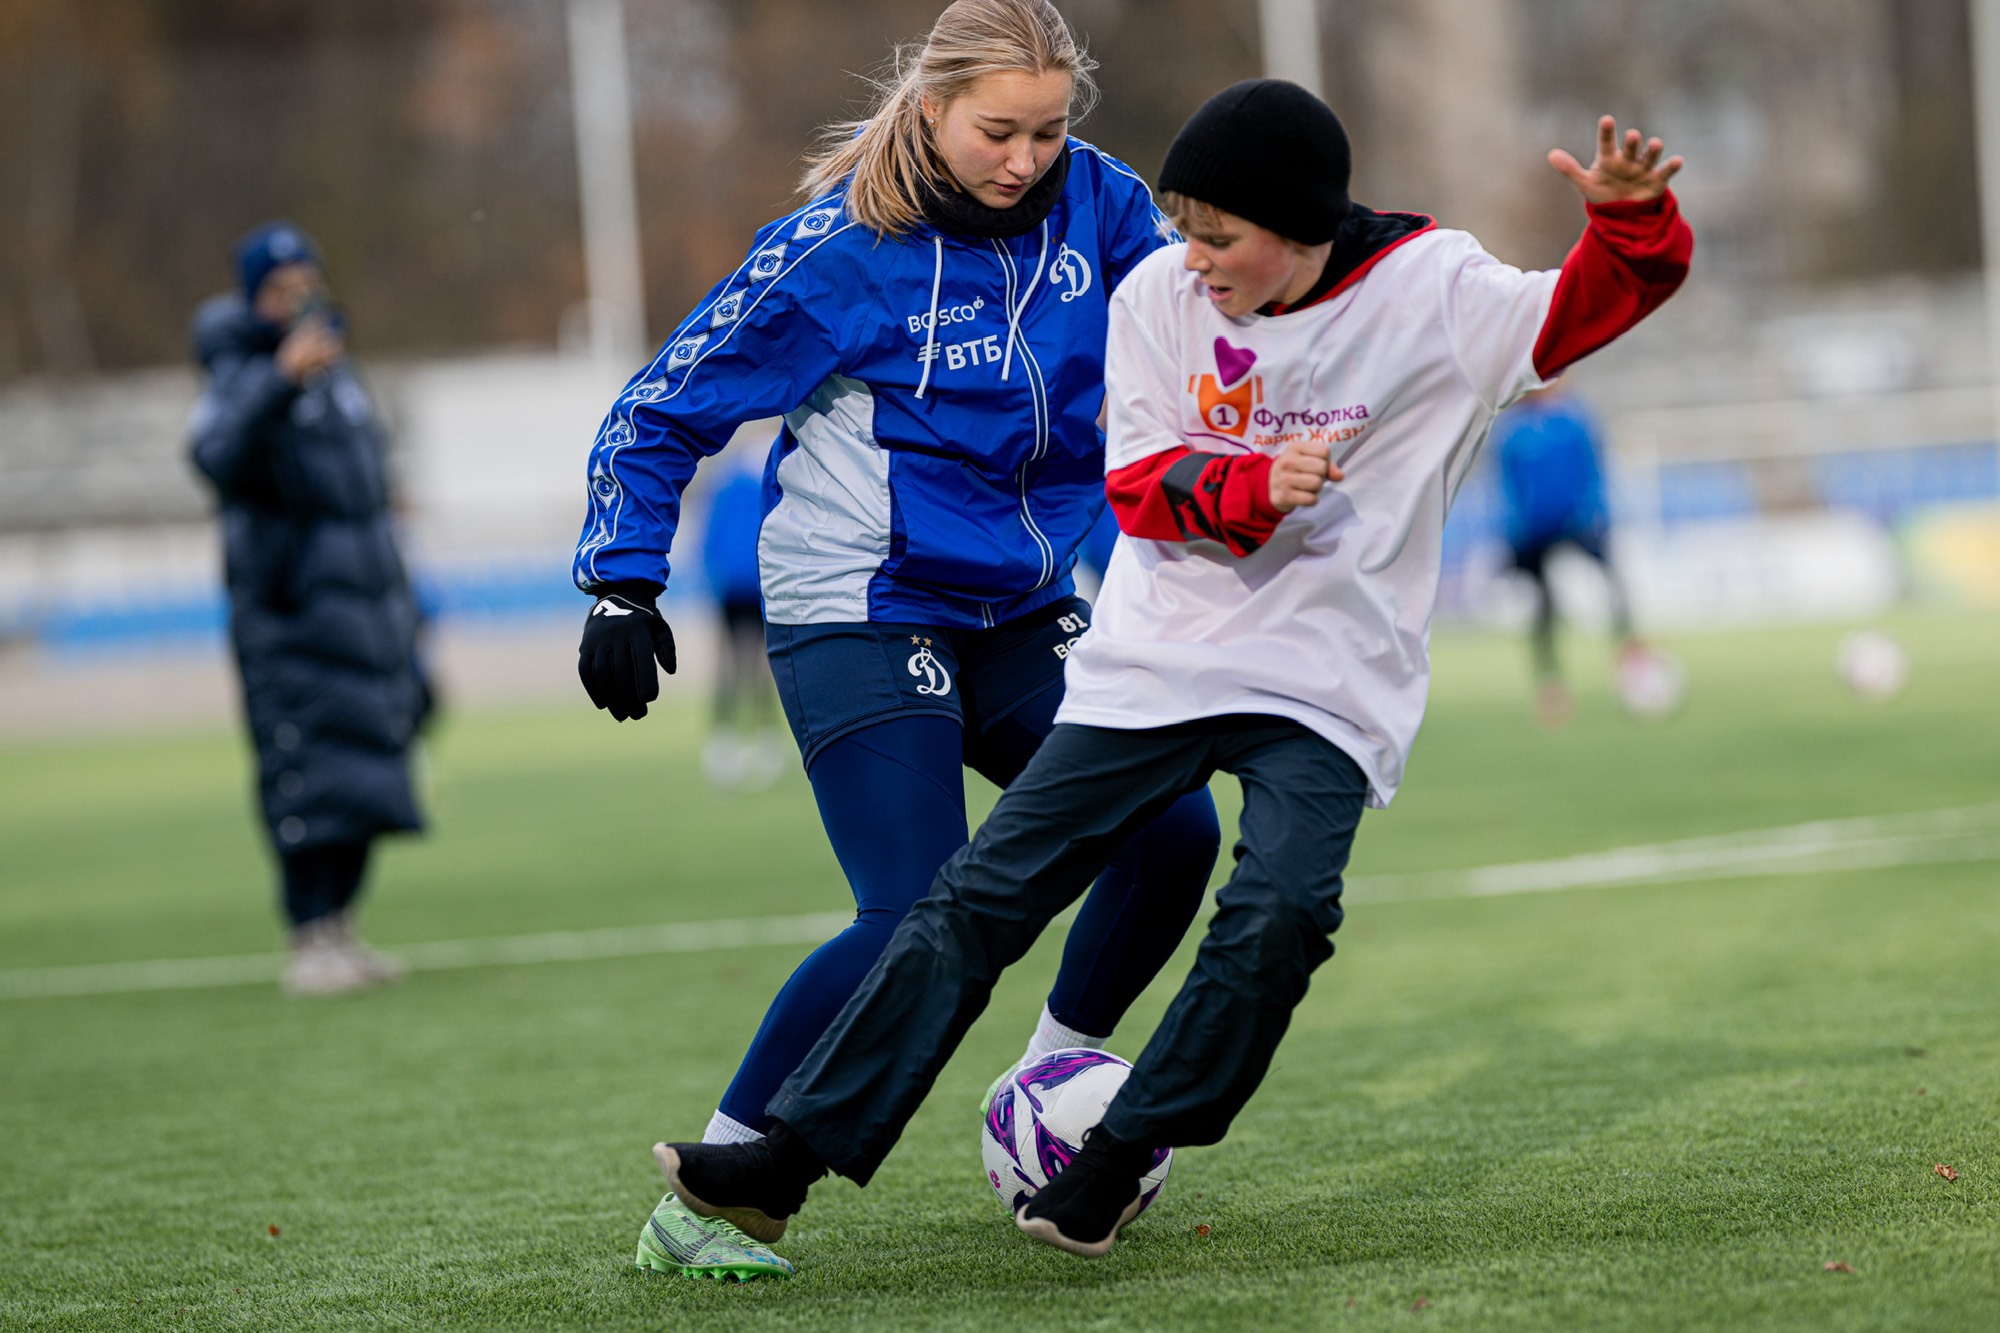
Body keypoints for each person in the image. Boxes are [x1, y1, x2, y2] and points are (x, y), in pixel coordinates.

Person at [647, 83, 1693, 1263]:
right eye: (1180, 224)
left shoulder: (1433, 290)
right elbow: (1140, 488)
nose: (1186, 255)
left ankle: (1109, 1161)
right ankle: (781, 1163)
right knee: (978, 894)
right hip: (1158, 662)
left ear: (1299, 230)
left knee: (1281, 913)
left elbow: (1579, 313)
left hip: (1330, 679)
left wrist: (1631, 227)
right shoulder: (1153, 294)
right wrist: (1255, 488)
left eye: (1216, 234)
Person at [570, 0, 1221, 1281]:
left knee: (1169, 825)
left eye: (1047, 129)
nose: (1024, 158)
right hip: (857, 604)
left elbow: (1216, 303)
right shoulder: (835, 251)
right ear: (929, 110)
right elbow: (658, 409)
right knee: (918, 909)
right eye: (996, 130)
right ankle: (711, 1191)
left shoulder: (1105, 207)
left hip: (1022, 602)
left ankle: (1049, 1084)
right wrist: (620, 585)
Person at [188, 221, 431, 997]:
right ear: (253, 296)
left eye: (306, 281)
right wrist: (278, 380)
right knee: (305, 776)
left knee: (364, 774)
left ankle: (342, 928)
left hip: (362, 615)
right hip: (291, 618)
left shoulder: (340, 372)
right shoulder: (244, 373)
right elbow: (217, 455)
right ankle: (307, 932)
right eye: (280, 287)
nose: (298, 299)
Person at [1490, 379, 1642, 722]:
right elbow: (1507, 486)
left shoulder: (1575, 418)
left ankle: (1632, 662)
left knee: (1615, 585)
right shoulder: (1512, 429)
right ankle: (1551, 683)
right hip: (1535, 530)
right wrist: (1512, 532)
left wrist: (1597, 511)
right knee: (1543, 607)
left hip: (1581, 520)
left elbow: (1594, 469)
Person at [695, 447, 786, 789]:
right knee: (750, 665)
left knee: (741, 665)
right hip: (752, 583)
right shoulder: (766, 478)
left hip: (742, 583)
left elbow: (709, 538)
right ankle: (745, 740)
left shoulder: (728, 483)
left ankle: (742, 740)